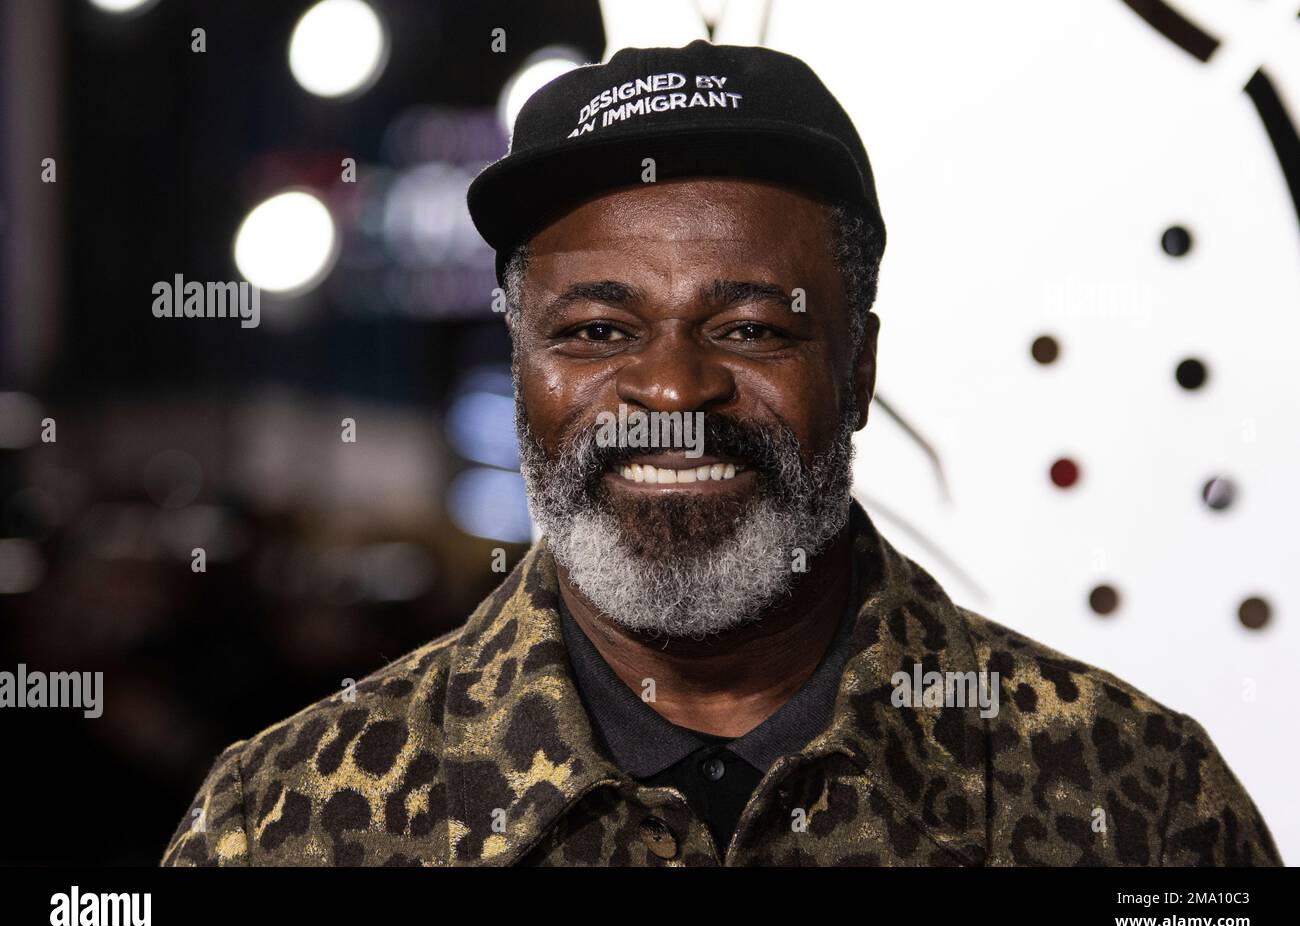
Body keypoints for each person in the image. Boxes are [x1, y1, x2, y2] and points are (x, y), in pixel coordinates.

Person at [162, 39, 1280, 866]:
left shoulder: (1139, 806)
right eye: (595, 331)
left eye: (749, 327)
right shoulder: (286, 823)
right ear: (521, 368)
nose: (670, 387)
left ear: (859, 369)